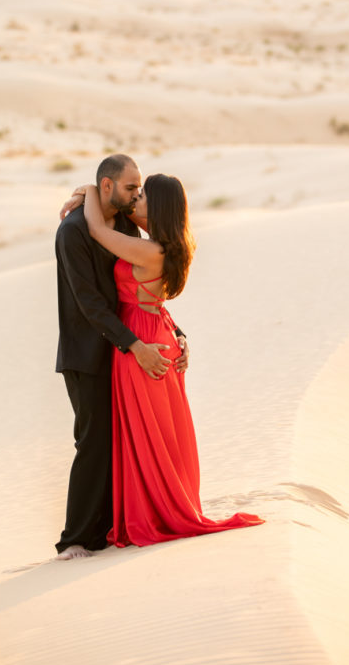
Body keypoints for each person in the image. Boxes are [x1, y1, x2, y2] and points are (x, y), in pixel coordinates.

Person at [64, 171, 263, 546]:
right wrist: (180, 336)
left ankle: (155, 513)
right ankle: (156, 506)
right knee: (154, 431)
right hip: (157, 331)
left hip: (142, 345)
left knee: (146, 434)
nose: (135, 201)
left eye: (142, 198)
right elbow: (153, 302)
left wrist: (89, 189)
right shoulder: (165, 244)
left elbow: (96, 230)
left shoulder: (149, 250)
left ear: (158, 208)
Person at [54, 153, 189, 560]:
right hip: (88, 350)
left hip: (127, 349)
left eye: (141, 190)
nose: (136, 196)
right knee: (93, 442)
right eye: (132, 188)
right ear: (109, 186)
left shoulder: (128, 225)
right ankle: (74, 539)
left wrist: (174, 334)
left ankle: (110, 529)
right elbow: (91, 304)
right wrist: (135, 345)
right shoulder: (73, 231)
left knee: (125, 440)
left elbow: (146, 297)